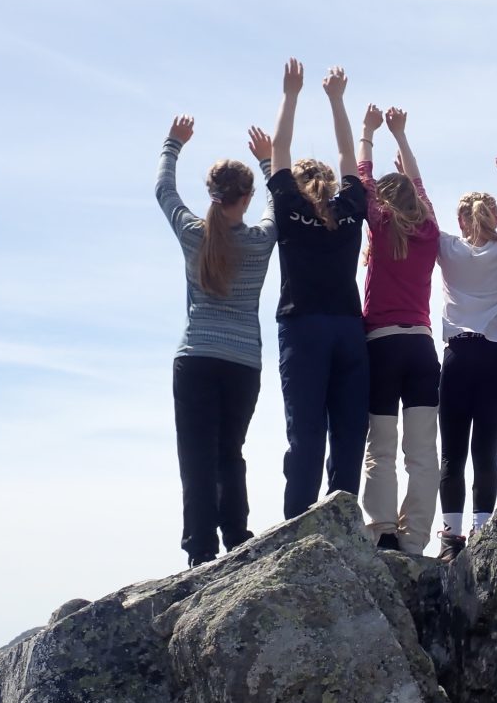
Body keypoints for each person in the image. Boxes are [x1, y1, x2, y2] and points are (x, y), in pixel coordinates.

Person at [155, 113, 276, 567]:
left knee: (196, 457)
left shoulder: (193, 234)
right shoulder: (261, 241)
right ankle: (237, 536)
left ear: (212, 194)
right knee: (230, 453)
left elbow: (164, 191)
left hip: (197, 357)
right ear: (245, 198)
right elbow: (277, 207)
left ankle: (200, 549)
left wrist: (174, 144)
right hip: (243, 361)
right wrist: (267, 162)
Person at [268, 59, 371, 520]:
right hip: (349, 330)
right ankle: (344, 526)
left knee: (306, 432)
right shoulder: (350, 208)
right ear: (330, 184)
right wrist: (336, 100)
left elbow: (279, 148)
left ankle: (298, 526)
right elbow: (351, 157)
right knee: (348, 433)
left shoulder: (288, 206)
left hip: (303, 326)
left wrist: (291, 95)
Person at [432, 134, 497, 562]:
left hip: (458, 357)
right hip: (495, 358)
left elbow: (422, 207)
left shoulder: (448, 248)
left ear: (463, 219)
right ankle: (482, 532)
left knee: (452, 450)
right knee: (486, 449)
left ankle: (450, 538)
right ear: (493, 217)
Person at [358, 104, 442, 555]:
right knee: (423, 452)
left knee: (383, 446)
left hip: (383, 346)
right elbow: (419, 186)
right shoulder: (428, 228)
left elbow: (362, 179)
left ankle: (384, 532)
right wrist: (401, 136)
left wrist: (369, 133)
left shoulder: (382, 221)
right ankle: (414, 542)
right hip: (422, 350)